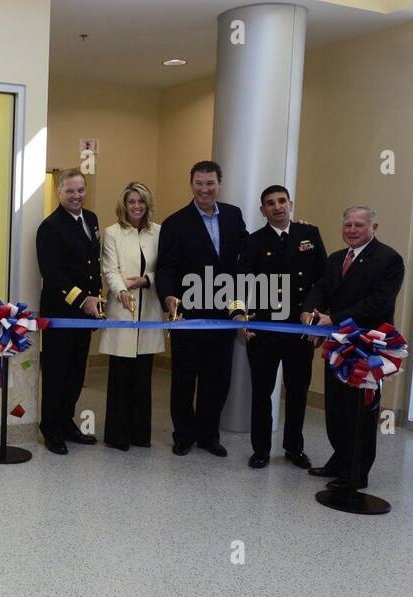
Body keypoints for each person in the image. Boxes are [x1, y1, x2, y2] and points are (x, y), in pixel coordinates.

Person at [301, 205, 405, 489]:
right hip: (337, 346)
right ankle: (340, 460)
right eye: (348, 225)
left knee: (360, 411)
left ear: (374, 227)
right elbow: (321, 289)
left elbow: (378, 303)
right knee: (336, 407)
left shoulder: (389, 259)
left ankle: (357, 473)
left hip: (365, 348)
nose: (352, 230)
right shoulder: (337, 258)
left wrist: (333, 318)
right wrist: (310, 311)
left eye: (359, 225)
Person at [155, 160, 248, 457]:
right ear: (191, 184)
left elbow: (247, 257)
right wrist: (168, 297)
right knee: (184, 379)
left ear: (219, 184)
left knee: (217, 379)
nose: (205, 189)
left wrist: (291, 228)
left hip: (223, 314)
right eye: (199, 183)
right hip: (188, 314)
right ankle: (184, 436)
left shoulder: (233, 215)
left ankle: (209, 435)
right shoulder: (174, 223)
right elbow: (166, 269)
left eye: (210, 183)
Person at [238, 185, 327, 469]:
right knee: (261, 392)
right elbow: (240, 282)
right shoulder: (253, 241)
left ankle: (294, 448)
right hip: (264, 328)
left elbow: (323, 279)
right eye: (270, 203)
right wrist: (239, 316)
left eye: (281, 201)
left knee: (298, 391)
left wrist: (317, 318)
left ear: (291, 204)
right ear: (262, 210)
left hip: (300, 328)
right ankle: (261, 449)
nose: (277, 207)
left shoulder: (309, 234)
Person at [36, 168, 104, 455]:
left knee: (76, 372)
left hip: (85, 312)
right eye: (70, 191)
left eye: (80, 190)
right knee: (57, 373)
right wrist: (82, 301)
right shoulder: (49, 227)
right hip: (60, 313)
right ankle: (51, 429)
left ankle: (66, 422)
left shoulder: (91, 219)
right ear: (59, 192)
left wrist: (97, 300)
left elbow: (92, 265)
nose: (76, 196)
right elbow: (51, 274)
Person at [99, 182, 163, 450]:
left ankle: (140, 435)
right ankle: (118, 436)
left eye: (141, 201)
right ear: (124, 206)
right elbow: (110, 269)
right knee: (121, 375)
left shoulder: (158, 231)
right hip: (122, 308)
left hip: (149, 309)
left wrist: (147, 280)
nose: (136, 206)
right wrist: (122, 291)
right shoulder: (112, 233)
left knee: (143, 376)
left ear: (147, 204)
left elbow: (166, 267)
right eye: (131, 202)